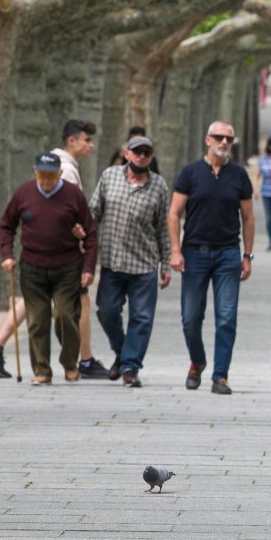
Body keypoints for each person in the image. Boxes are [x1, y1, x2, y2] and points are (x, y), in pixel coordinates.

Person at [168, 121, 256, 396]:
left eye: (229, 138)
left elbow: (248, 217)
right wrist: (175, 249)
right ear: (207, 140)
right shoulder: (191, 172)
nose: (224, 142)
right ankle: (198, 360)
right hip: (195, 252)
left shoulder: (238, 175)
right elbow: (174, 213)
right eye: (219, 137)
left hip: (228, 253)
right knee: (190, 318)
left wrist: (247, 255)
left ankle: (221, 376)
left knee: (226, 318)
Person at [0, 152, 98, 385]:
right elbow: (6, 226)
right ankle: (42, 369)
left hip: (67, 266)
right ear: (35, 173)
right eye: (42, 175)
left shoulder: (73, 194)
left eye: (51, 176)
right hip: (33, 267)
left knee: (65, 316)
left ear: (60, 174)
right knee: (37, 321)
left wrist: (88, 268)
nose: (46, 180)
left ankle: (70, 362)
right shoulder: (24, 193)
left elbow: (91, 232)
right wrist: (7, 255)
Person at [88, 136, 172, 387]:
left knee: (142, 318)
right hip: (112, 261)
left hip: (144, 263)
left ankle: (130, 367)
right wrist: (82, 238)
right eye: (137, 152)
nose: (141, 156)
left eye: (146, 152)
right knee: (107, 310)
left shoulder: (159, 186)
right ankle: (123, 352)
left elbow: (162, 228)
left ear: (152, 157)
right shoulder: (109, 176)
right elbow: (93, 212)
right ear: (126, 153)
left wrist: (166, 262)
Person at [47, 119, 113, 380]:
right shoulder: (67, 170)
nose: (91, 146)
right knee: (81, 301)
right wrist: (80, 235)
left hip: (49, 244)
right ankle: (84, 359)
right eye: (87, 140)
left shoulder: (56, 164)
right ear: (71, 141)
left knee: (37, 297)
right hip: (64, 247)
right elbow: (68, 210)